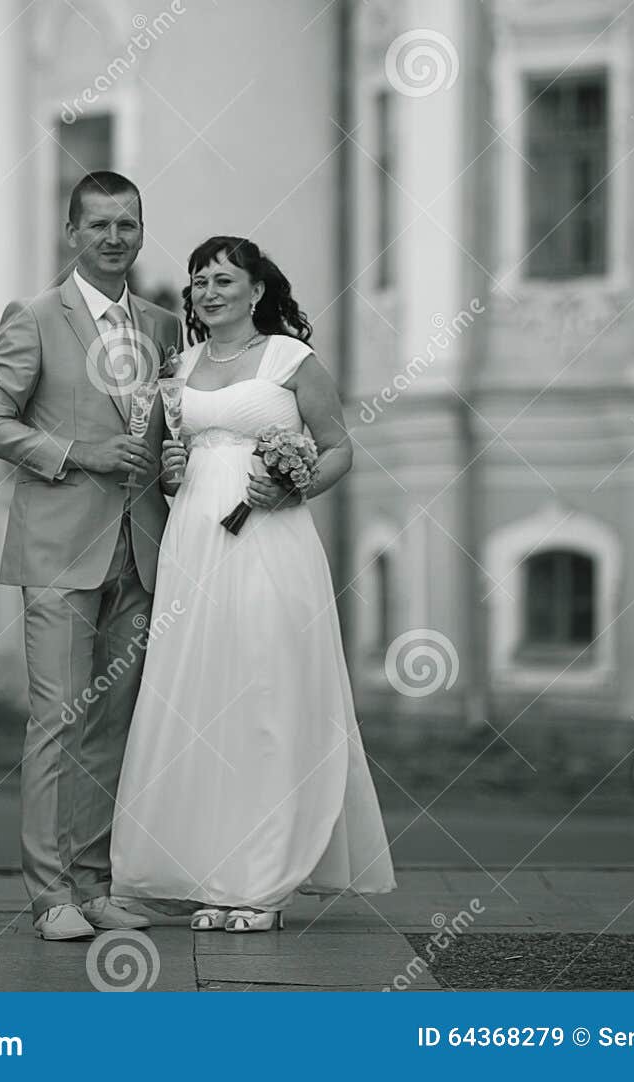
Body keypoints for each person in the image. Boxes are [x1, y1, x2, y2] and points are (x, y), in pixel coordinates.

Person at [110, 235, 395, 931]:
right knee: (199, 701)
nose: (208, 291)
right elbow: (170, 459)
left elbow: (337, 450)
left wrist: (295, 486)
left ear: (256, 290)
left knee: (266, 691)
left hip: (271, 541)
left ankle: (261, 882)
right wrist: (174, 472)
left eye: (224, 279)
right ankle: (210, 871)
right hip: (195, 542)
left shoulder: (291, 360)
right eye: (199, 280)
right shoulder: (180, 367)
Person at [0, 171, 182, 940]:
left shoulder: (162, 326)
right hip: (59, 550)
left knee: (112, 726)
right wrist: (79, 453)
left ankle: (94, 885)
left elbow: (168, 431)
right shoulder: (32, 318)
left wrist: (179, 466)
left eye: (128, 224)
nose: (115, 238)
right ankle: (49, 894)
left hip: (143, 550)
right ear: (72, 233)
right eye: (100, 225)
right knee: (57, 721)